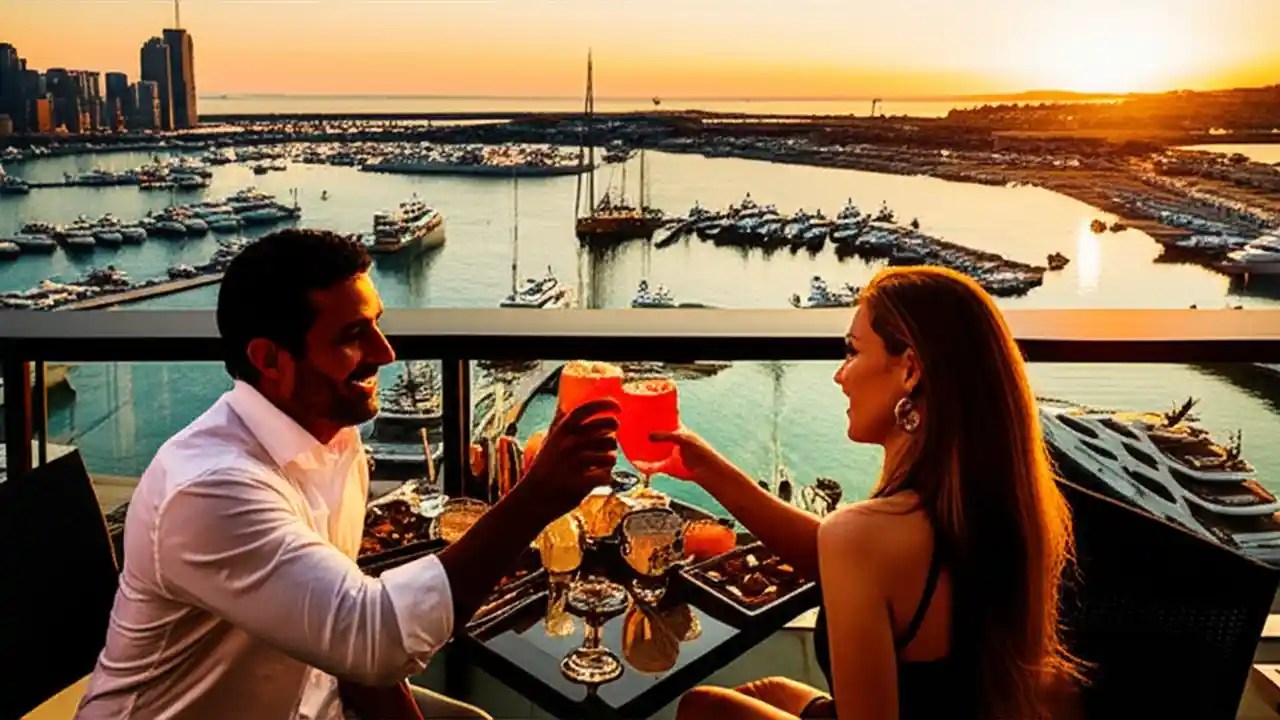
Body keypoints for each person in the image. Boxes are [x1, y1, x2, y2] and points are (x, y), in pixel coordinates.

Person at [76, 230, 620, 719]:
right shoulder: (211, 491)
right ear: (268, 359)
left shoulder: (336, 439)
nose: (384, 353)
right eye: (352, 335)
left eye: (378, 324)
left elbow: (346, 646)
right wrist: (537, 496)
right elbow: (372, 635)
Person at [663, 266, 1080, 720]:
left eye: (852, 352)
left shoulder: (865, 535)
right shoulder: (995, 502)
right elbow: (842, 555)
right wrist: (707, 469)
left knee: (702, 707)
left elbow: (849, 549)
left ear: (911, 369)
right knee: (772, 691)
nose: (840, 376)